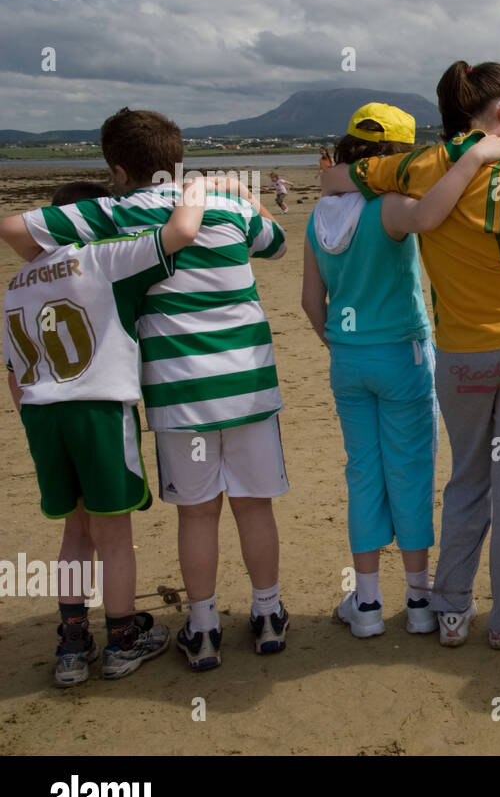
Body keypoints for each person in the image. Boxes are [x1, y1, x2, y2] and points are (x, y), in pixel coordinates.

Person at [321, 60, 500, 649]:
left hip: (458, 358)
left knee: (468, 479)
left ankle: (450, 611)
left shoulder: (420, 165)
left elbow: (338, 178)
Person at [1, 107, 291, 673]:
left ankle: (203, 626)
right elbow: (275, 243)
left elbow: (15, 229)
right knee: (255, 506)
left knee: (197, 514)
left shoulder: (113, 215)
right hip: (250, 385)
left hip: (178, 390)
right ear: (177, 157)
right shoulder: (226, 207)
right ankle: (268, 614)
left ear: (117, 169)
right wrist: (224, 188)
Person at [302, 103, 500, 638]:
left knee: (363, 473)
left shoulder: (319, 215)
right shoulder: (392, 206)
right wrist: (471, 160)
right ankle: (420, 601)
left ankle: (368, 604)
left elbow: (312, 303)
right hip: (402, 353)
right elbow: (429, 216)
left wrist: (343, 344)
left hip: (349, 358)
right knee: (411, 470)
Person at [4, 176, 205, 684]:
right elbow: (180, 232)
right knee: (115, 535)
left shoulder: (17, 282)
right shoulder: (100, 258)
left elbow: (14, 375)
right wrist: (196, 186)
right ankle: (121, 639)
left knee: (76, 530)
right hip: (96, 410)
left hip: (41, 415)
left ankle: (73, 643)